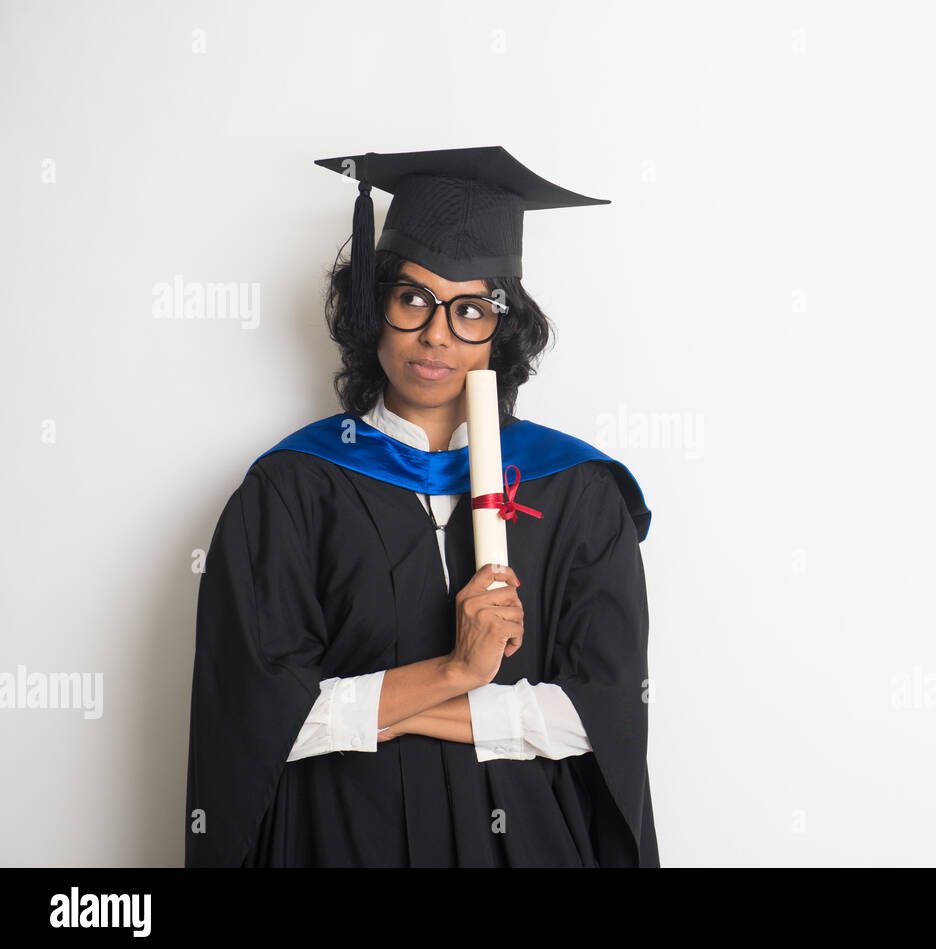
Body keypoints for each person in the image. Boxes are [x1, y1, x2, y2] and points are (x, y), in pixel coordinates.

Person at [184, 147, 658, 867]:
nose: (437, 333)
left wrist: (370, 711)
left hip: (528, 843)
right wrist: (457, 674)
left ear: (503, 328)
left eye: (471, 308)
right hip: (343, 838)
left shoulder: (579, 491)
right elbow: (258, 722)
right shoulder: (291, 490)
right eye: (413, 298)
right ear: (375, 307)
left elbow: (594, 719)